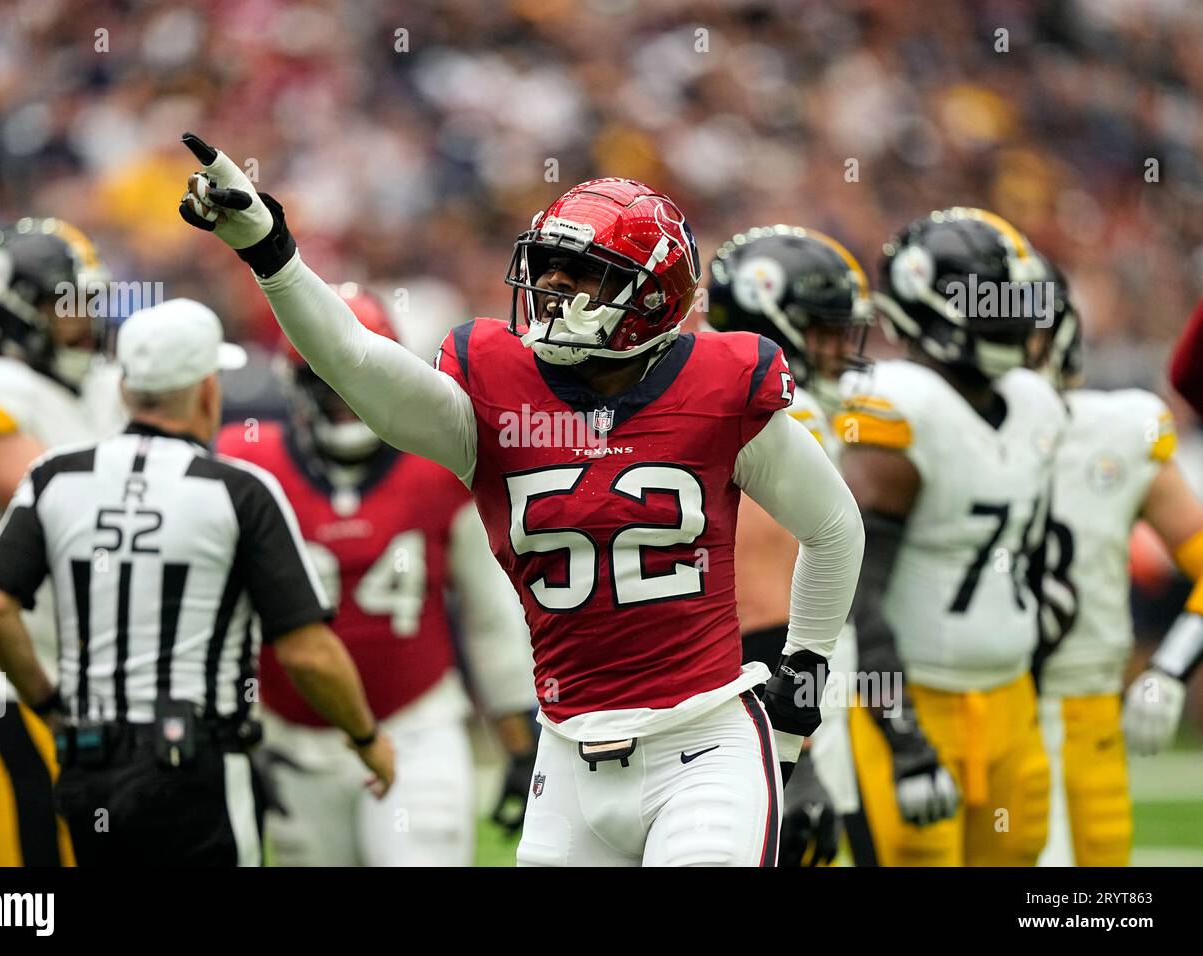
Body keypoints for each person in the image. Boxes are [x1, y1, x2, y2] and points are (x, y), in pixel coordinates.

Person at [176, 133, 863, 867]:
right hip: (566, 754)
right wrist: (270, 252)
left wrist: (805, 668)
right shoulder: (494, 390)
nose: (554, 289)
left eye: (583, 274)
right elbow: (353, 358)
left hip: (702, 744)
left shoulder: (721, 384)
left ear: (653, 294)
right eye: (549, 267)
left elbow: (833, 526)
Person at [0, 298, 394, 866]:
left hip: (89, 762)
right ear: (208, 390)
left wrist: (48, 706)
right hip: (195, 768)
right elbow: (307, 652)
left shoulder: (57, 475)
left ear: (124, 388)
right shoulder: (239, 490)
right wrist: (366, 739)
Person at [217, 285, 536, 866]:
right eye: (329, 385)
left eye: (356, 387)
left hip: (416, 727)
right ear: (297, 385)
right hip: (294, 737)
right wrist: (235, 728)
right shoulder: (249, 465)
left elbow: (491, 618)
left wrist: (519, 742)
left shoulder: (441, 463)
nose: (346, 402)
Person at [838, 207, 1064, 866]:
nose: (1017, 321)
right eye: (997, 304)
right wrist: (905, 740)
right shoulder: (899, 402)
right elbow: (854, 592)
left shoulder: (1035, 403)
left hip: (1011, 699)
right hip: (914, 702)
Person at [0, 219, 123, 866]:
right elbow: (71, 506)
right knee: (31, 889)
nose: (82, 318)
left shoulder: (97, 386)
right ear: (14, 307)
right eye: (63, 302)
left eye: (88, 301)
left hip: (66, 678)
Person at [705, 224, 872, 866]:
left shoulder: (787, 413)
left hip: (793, 696)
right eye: (825, 330)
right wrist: (794, 759)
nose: (840, 349)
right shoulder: (765, 421)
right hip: (777, 705)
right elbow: (760, 605)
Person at [1030, 257, 1203, 866]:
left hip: (1087, 706)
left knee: (1098, 901)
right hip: (962, 702)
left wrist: (1170, 667)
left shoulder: (1116, 430)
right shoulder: (918, 426)